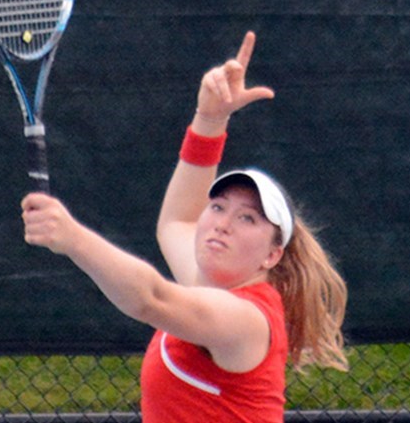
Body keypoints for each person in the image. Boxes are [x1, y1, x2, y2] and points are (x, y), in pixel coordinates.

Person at [21, 31, 348, 422]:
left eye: (247, 218)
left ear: (272, 254)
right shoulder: (205, 287)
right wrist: (210, 119)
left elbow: (151, 299)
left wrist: (73, 239)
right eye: (218, 206)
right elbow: (177, 220)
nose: (222, 224)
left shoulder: (245, 320)